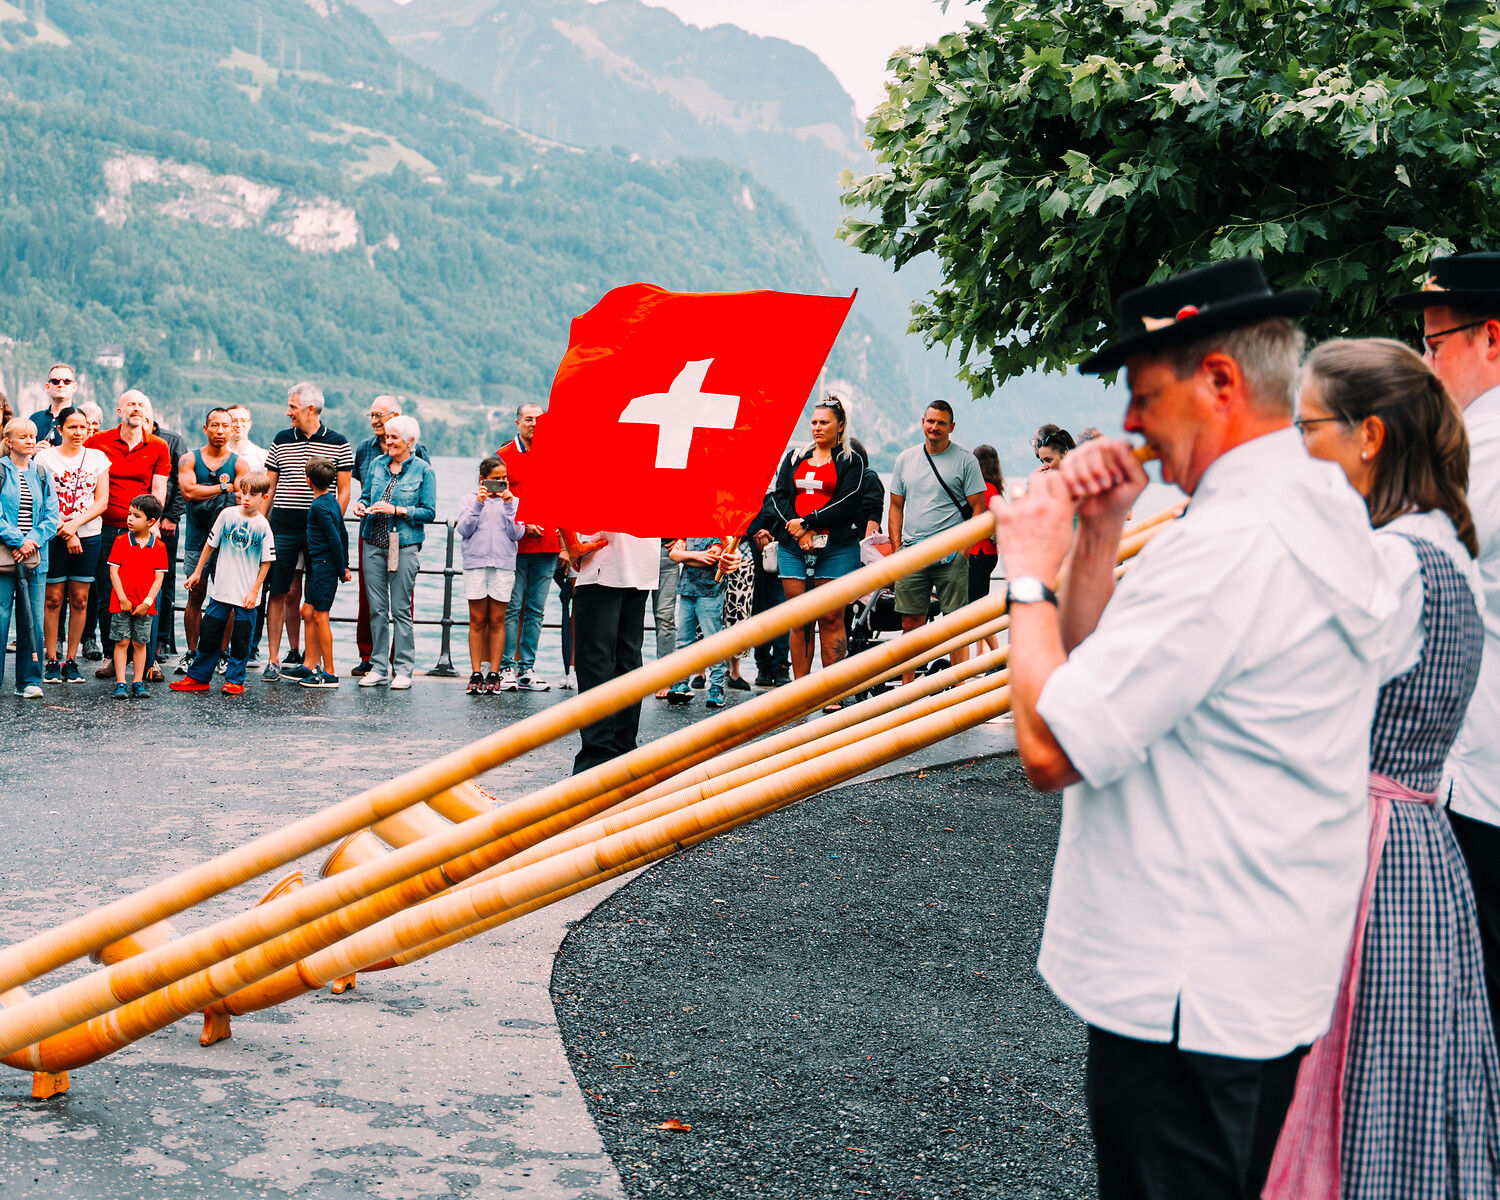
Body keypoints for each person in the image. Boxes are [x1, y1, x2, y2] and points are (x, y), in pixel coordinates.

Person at [991, 258, 1414, 1200]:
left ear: (1220, 381)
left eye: (1144, 395)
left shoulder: (1229, 545)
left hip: (1184, 989)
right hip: (1253, 971)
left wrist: (1028, 569)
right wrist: (1098, 534)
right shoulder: (1315, 507)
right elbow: (1101, 676)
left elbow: (1050, 748)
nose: (1132, 424)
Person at [1263, 338, 1500, 1197]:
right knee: (1398, 1088)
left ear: (1368, 437)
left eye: (1307, 428)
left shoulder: (1394, 564)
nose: (1298, 448)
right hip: (1412, 844)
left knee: (1348, 1089)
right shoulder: (1435, 544)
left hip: (1362, 847)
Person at [1391, 252, 1500, 1042]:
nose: (1427, 368)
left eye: (1435, 345)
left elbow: (1398, 568)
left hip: (1484, 785)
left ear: (1491, 336)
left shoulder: (1485, 446)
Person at [768, 399, 866, 686]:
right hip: (794, 546)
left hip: (836, 547)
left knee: (832, 617)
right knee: (799, 619)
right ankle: (801, 691)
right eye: (814, 422)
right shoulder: (794, 457)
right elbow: (779, 496)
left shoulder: (851, 460)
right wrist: (799, 531)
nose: (817, 427)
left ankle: (830, 691)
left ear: (840, 426)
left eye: (824, 422)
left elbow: (848, 501)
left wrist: (808, 522)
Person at [887, 401, 985, 685]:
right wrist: (896, 551)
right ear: (922, 422)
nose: (935, 427)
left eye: (941, 423)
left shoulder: (966, 461)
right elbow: (895, 506)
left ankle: (958, 689)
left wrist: (962, 552)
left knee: (954, 624)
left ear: (951, 428)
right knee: (910, 624)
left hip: (950, 556)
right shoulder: (905, 459)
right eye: (930, 421)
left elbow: (979, 509)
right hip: (912, 552)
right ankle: (908, 690)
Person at [262, 383, 353, 680]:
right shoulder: (281, 439)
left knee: (314, 597)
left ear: (310, 409)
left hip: (319, 529)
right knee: (278, 591)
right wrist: (262, 525)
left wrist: (332, 524)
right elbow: (270, 488)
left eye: (292, 407)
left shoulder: (339, 442)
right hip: (283, 526)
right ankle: (274, 659)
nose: (288, 412)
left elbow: (344, 492)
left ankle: (311, 663)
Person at [85, 390, 171, 679]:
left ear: (148, 412)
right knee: (107, 592)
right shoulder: (98, 442)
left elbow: (159, 489)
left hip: (144, 529)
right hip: (106, 527)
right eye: (130, 404)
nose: (135, 408)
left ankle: (148, 662)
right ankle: (111, 655)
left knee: (149, 593)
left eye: (141, 405)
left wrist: (155, 525)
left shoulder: (158, 446)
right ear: (118, 409)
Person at [172, 472, 276, 696]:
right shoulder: (227, 515)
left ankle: (235, 680)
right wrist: (197, 572)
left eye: (253, 494)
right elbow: (209, 545)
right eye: (243, 492)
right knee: (209, 634)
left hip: (247, 596)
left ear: (264, 498)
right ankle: (198, 677)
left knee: (241, 639)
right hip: (221, 590)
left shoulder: (262, 526)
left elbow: (266, 563)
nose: (246, 498)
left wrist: (254, 591)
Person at [355, 414, 435, 690]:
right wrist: (361, 506)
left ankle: (403, 669)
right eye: (387, 437)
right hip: (373, 542)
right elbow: (366, 496)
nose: (387, 442)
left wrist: (398, 510)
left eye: (393, 438)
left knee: (401, 609)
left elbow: (429, 512)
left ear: (410, 441)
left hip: (404, 545)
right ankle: (378, 667)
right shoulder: (377, 464)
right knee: (377, 609)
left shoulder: (424, 471)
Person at [569, 531, 659, 774]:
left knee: (596, 666)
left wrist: (571, 544)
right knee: (628, 660)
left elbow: (559, 496)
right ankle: (624, 754)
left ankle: (596, 760)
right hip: (642, 559)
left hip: (601, 559)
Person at [35, 407, 109, 682]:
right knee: (53, 599)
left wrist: (75, 527)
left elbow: (101, 501)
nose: (79, 432)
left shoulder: (98, 458)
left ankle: (71, 659)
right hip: (52, 534)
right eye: (73, 427)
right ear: (60, 429)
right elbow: (41, 501)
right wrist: (66, 532)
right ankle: (52, 657)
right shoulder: (44, 458)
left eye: (83, 427)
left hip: (88, 535)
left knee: (80, 599)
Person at [177, 407, 247, 675]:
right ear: (205, 429)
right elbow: (188, 491)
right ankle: (192, 652)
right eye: (214, 425)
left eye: (225, 426)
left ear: (231, 430)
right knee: (196, 596)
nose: (220, 431)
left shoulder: (239, 463)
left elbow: (242, 497)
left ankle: (222, 653)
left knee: (227, 598)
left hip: (229, 541)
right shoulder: (189, 459)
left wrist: (211, 491)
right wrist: (223, 488)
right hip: (196, 539)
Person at [497, 403, 558, 691]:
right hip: (515, 546)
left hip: (548, 545)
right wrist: (523, 525)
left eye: (540, 420)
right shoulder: (503, 457)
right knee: (512, 607)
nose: (534, 424)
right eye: (529, 419)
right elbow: (495, 500)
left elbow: (563, 496)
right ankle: (507, 667)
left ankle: (527, 668)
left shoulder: (556, 454)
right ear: (517, 422)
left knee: (536, 609)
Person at [0, 418, 60, 698]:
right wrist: (19, 540)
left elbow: (51, 515)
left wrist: (31, 542)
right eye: (22, 436)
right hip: (4, 557)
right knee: (0, 619)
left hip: (35, 558)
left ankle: (29, 681)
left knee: (32, 619)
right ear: (8, 441)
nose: (29, 440)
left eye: (32, 435)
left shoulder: (42, 473)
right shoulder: (1, 471)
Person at [456, 456, 525, 695]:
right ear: (482, 480)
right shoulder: (468, 500)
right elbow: (464, 530)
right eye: (496, 479)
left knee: (497, 620)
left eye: (504, 479)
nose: (501, 483)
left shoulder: (515, 502)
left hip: (503, 565)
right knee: (477, 620)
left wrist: (508, 506)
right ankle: (476, 672)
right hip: (475, 564)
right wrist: (478, 503)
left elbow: (517, 534)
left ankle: (494, 673)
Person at [665, 538, 741, 708]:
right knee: (683, 640)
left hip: (710, 592)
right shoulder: (688, 531)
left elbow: (711, 557)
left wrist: (687, 557)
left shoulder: (719, 534)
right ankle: (682, 682)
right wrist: (697, 556)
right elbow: (674, 554)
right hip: (687, 591)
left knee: (712, 641)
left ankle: (717, 686)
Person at [106, 493, 167, 700]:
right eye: (129, 514)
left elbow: (158, 579)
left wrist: (147, 602)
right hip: (121, 602)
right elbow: (114, 571)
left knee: (140, 643)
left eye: (136, 515)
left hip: (144, 605)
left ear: (151, 521)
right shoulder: (121, 541)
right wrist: (122, 597)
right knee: (121, 642)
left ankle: (138, 681)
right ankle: (121, 682)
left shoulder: (159, 547)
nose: (130, 519)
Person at [298, 458, 349, 689]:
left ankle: (329, 672)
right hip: (321, 565)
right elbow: (344, 533)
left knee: (321, 616)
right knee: (307, 611)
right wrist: (346, 564)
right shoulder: (332, 501)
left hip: (324, 565)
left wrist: (340, 570)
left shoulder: (319, 506)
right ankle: (309, 664)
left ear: (309, 481)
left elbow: (335, 538)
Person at [147, 411, 188, 675]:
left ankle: (162, 640)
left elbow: (181, 482)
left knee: (166, 580)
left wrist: (170, 517)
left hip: (164, 526)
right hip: (132, 522)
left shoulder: (173, 441)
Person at [967, 443, 1005, 657]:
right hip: (990, 553)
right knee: (979, 605)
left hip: (978, 553)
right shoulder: (995, 489)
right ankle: (980, 655)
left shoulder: (983, 490)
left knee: (977, 610)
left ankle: (998, 657)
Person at [28, 363, 78, 447]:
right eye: (55, 381)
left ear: (74, 387)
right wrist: (32, 451)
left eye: (67, 381)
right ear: (47, 386)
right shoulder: (35, 418)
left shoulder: (81, 420)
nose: (61, 385)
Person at [225, 405, 266, 471]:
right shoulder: (216, 455)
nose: (238, 425)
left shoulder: (263, 456)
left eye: (243, 420)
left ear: (250, 424)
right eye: (234, 421)